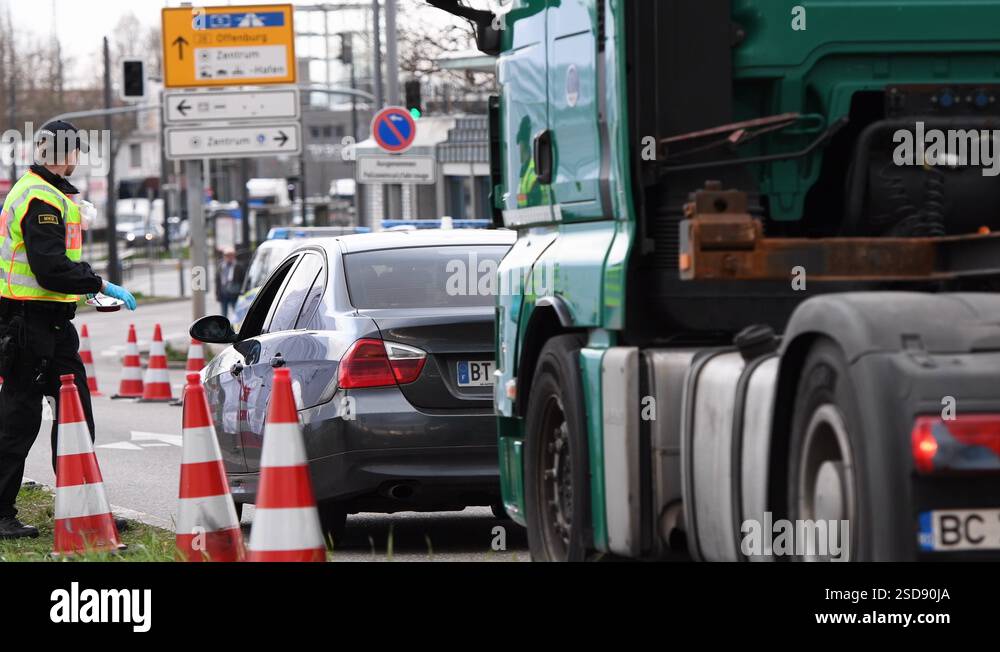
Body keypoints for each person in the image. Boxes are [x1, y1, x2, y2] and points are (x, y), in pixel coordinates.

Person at [0, 120, 137, 540]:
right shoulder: (40, 196)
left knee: (74, 416)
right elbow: (50, 269)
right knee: (19, 419)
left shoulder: (48, 192)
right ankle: (1, 514)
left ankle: (84, 509)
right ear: (64, 154)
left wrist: (87, 286)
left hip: (50, 324)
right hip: (28, 324)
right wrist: (97, 284)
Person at [215, 247, 245, 320]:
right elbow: (217, 280)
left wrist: (242, 292)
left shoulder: (238, 266)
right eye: (227, 255)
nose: (229, 257)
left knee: (237, 312)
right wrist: (217, 293)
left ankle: (237, 327)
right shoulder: (221, 266)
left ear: (234, 255)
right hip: (223, 292)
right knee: (223, 313)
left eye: (231, 255)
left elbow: (243, 280)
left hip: (234, 292)